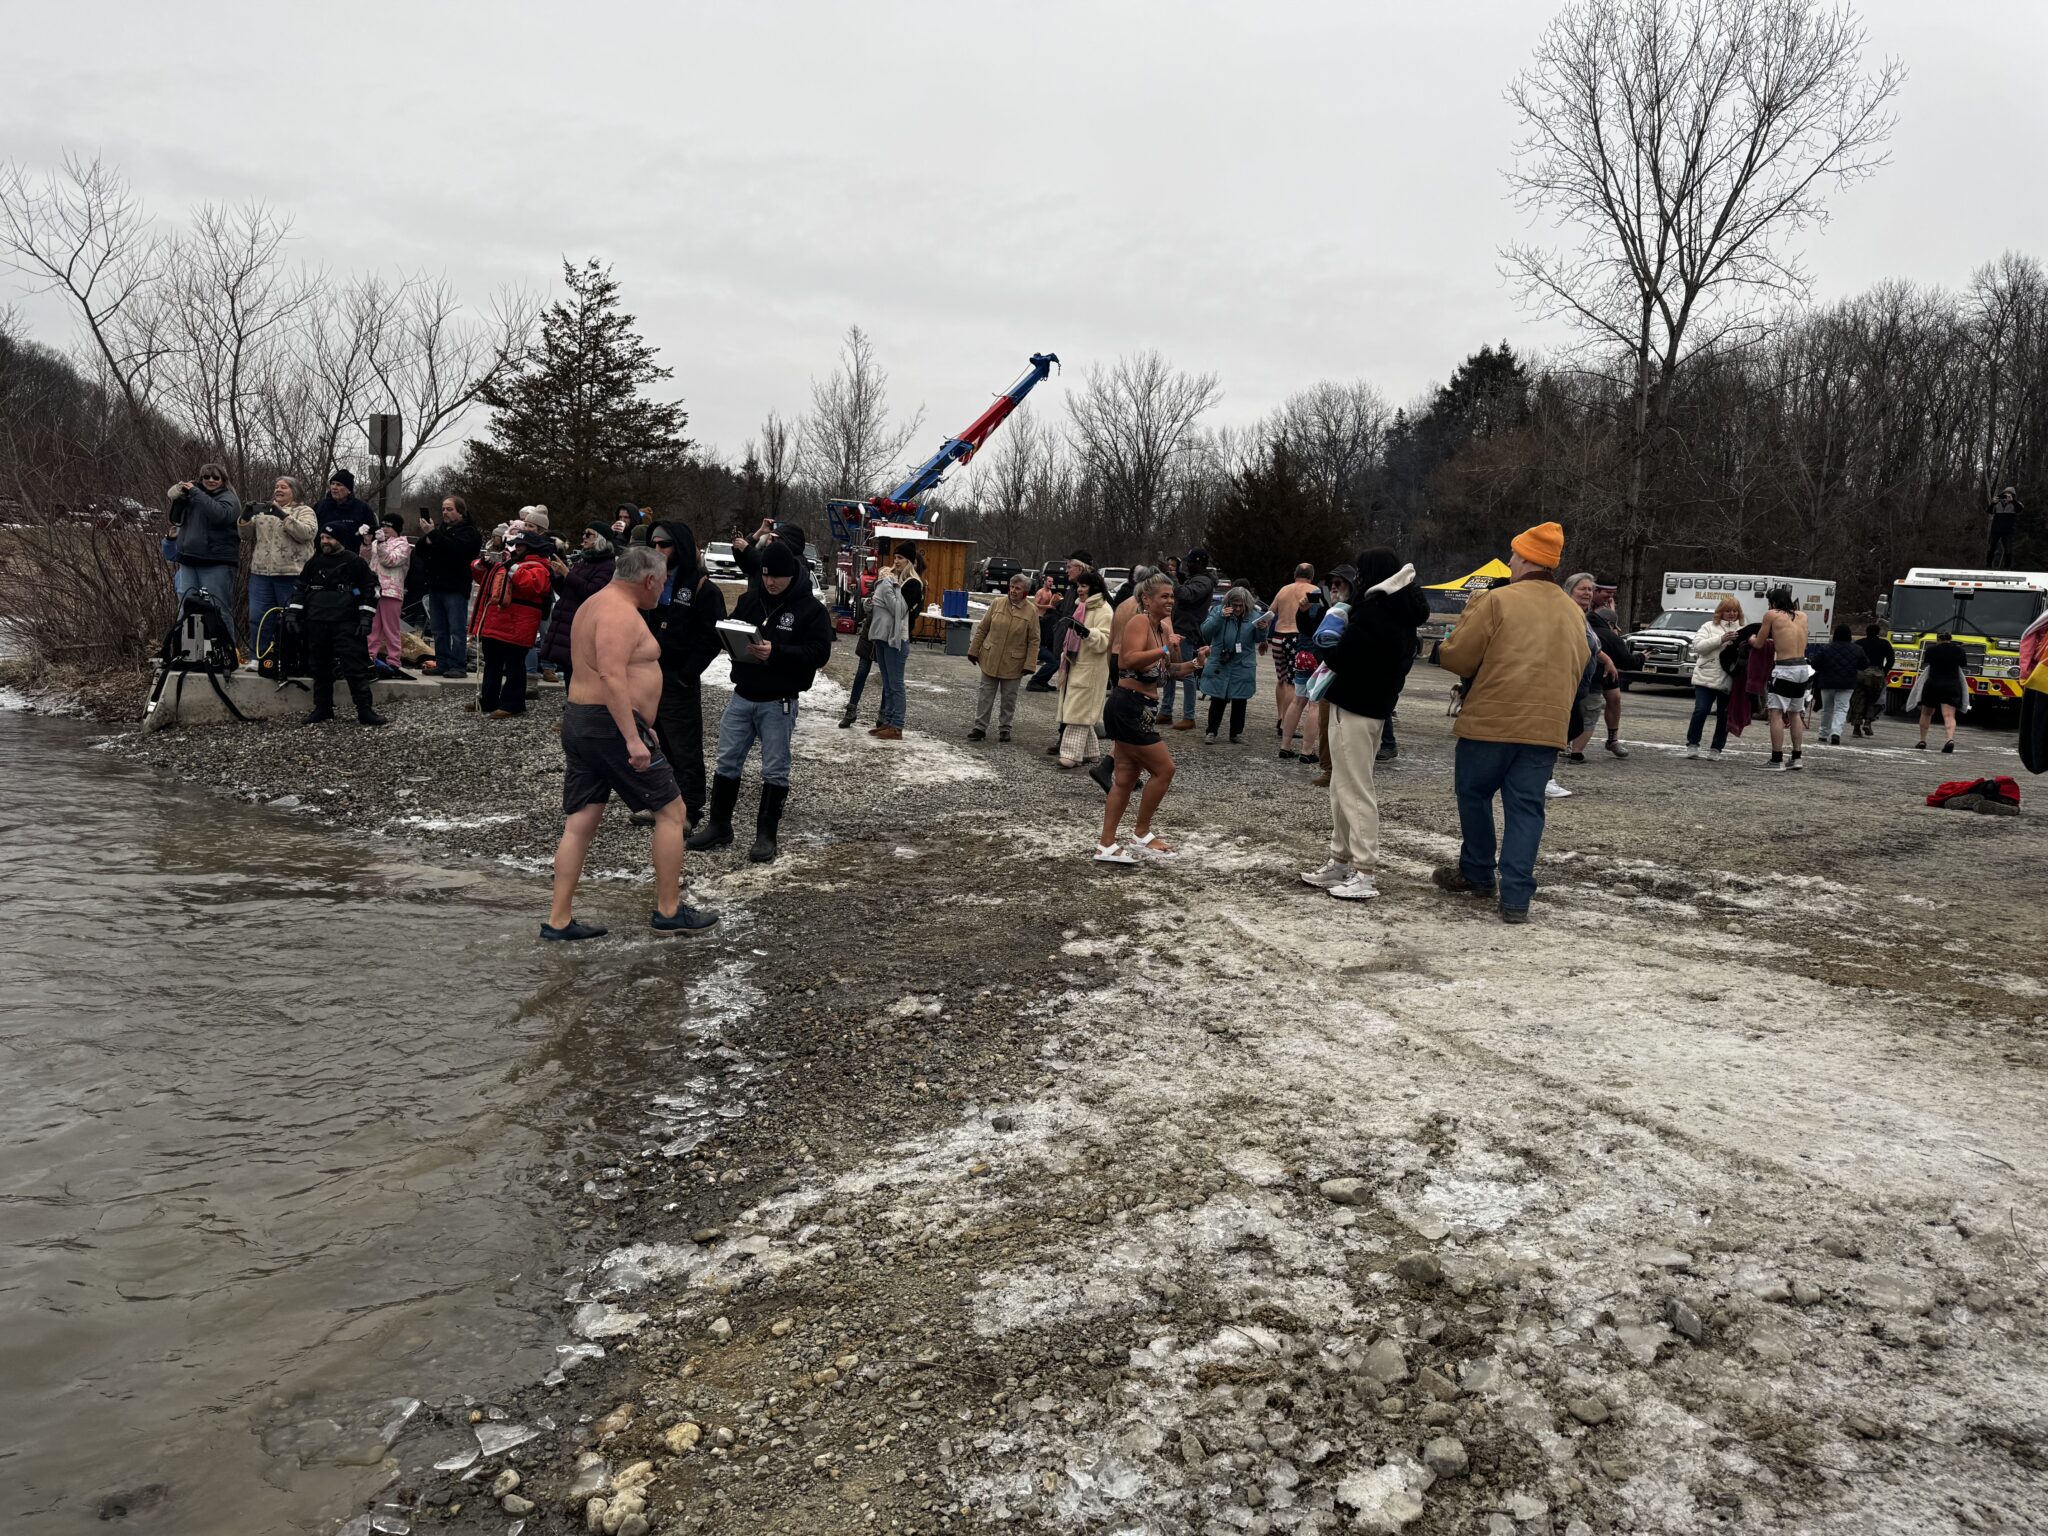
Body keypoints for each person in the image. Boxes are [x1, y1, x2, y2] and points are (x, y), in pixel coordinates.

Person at [543, 544, 716, 941]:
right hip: (608, 726)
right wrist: (631, 737)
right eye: (663, 582)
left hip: (585, 720)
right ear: (650, 579)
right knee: (673, 812)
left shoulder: (592, 604)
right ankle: (670, 910)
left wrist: (639, 723)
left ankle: (558, 919)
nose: (663, 591)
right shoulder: (619, 612)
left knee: (582, 819)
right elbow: (611, 676)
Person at [1432, 522, 1585, 923]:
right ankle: (1516, 898)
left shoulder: (1497, 600)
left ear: (1527, 558)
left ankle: (1478, 872)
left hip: (1491, 722)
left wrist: (1452, 638)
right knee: (1527, 810)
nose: (1511, 561)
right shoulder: (1573, 611)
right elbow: (1583, 667)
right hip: (1546, 727)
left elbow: (1459, 658)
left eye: (1514, 555)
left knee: (1475, 795)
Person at [689, 539, 833, 863]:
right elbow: (732, 624)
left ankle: (766, 836)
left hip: (778, 701)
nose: (770, 582)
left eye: (776, 577)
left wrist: (776, 652)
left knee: (775, 769)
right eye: (766, 575)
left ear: (791, 575)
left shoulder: (811, 610)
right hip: (742, 695)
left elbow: (819, 653)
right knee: (727, 761)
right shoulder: (751, 600)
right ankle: (719, 825)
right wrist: (730, 637)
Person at [1301, 550, 1430, 900]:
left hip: (1356, 703)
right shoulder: (1402, 611)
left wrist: (1329, 637)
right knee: (1343, 786)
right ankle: (1340, 860)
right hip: (1375, 705)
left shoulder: (1375, 611)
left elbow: (1342, 656)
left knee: (1355, 789)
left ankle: (1364, 871)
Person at [1095, 574, 1208, 863]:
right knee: (1164, 769)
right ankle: (1141, 833)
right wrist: (1167, 648)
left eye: (1172, 596)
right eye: (1165, 596)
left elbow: (1167, 671)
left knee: (1124, 778)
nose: (1171, 601)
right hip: (1128, 707)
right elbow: (1128, 660)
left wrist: (1195, 663)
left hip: (1141, 707)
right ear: (1147, 599)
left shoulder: (1159, 629)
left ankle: (1107, 844)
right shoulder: (1140, 622)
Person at [646, 521, 726, 830]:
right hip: (649, 675)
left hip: (678, 677)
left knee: (684, 746)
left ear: (679, 546)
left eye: (663, 544)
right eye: (653, 544)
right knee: (654, 742)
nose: (657, 550)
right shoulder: (650, 581)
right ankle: (661, 803)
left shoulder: (702, 587)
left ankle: (689, 809)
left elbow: (713, 636)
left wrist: (687, 673)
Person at [291, 518, 387, 727]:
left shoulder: (355, 562)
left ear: (340, 539)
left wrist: (365, 618)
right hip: (317, 621)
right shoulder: (314, 562)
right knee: (319, 667)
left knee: (355, 667)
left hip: (346, 622)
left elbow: (370, 591)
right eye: (323, 537)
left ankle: (364, 710)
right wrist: (293, 615)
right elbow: (299, 588)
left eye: (329, 538)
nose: (325, 541)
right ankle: (323, 708)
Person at [468, 528, 554, 718]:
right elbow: (481, 577)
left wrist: (511, 568)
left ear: (530, 547)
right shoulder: (508, 563)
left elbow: (534, 585)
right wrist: (483, 564)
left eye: (520, 544)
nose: (516, 547)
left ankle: (513, 703)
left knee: (514, 665)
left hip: (517, 623)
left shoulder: (540, 567)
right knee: (493, 662)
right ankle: (488, 700)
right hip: (499, 622)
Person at [240, 475, 316, 674]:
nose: (278, 489)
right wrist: (245, 516)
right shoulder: (264, 512)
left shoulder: (304, 511)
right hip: (261, 573)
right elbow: (244, 536)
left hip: (291, 573)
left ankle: (294, 657)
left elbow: (306, 534)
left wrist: (283, 515)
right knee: (257, 617)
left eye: (284, 487)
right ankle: (258, 657)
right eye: (276, 486)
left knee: (292, 618)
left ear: (295, 491)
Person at [165, 465, 243, 645]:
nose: (211, 480)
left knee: (219, 609)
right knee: (186, 608)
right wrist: (180, 494)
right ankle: (187, 651)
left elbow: (220, 515)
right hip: (189, 561)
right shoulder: (192, 496)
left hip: (216, 563)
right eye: (206, 477)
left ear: (223, 480)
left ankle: (227, 652)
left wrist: (196, 493)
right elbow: (175, 518)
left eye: (216, 477)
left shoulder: (229, 499)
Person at [1563, 574, 1631, 758]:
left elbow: (1594, 644)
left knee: (1611, 700)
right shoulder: (1566, 612)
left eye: (1589, 590)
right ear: (1569, 591)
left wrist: (1607, 660)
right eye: (1582, 589)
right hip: (1569, 677)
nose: (1587, 593)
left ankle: (1612, 739)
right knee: (1576, 718)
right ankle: (1565, 755)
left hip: (1588, 677)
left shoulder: (1588, 614)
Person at [541, 528, 618, 687]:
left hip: (583, 622)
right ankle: (572, 703)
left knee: (579, 669)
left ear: (600, 539)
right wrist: (557, 575)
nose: (583, 537)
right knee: (569, 666)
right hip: (569, 620)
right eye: (583, 534)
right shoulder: (583, 561)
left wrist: (567, 574)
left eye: (588, 534)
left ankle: (578, 704)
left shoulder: (608, 565)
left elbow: (593, 592)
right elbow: (565, 591)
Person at [416, 495, 482, 677]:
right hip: (436, 586)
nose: (445, 512)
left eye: (449, 509)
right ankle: (443, 662)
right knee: (438, 629)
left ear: (460, 511)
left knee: (457, 630)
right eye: (443, 509)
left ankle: (459, 665)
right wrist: (429, 536)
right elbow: (420, 551)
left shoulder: (470, 532)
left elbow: (456, 550)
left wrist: (433, 536)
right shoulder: (440, 529)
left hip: (455, 587)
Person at [967, 570, 1037, 741]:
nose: (1013, 591)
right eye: (1012, 587)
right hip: (990, 658)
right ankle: (979, 728)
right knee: (985, 696)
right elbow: (983, 628)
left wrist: (1030, 664)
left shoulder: (1031, 611)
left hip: (1014, 663)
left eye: (1018, 588)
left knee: (1009, 699)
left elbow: (1034, 640)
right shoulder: (997, 603)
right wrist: (973, 650)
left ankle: (1005, 729)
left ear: (1025, 592)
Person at [1056, 568, 1114, 768]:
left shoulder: (1104, 610)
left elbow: (1106, 641)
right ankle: (1091, 752)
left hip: (1092, 670)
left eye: (1083, 586)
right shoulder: (1082, 607)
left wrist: (1087, 633)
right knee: (1080, 709)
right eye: (1078, 586)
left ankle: (1070, 754)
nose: (1079, 589)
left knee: (1078, 712)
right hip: (1077, 665)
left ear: (1094, 587)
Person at [1755, 585, 1812, 771]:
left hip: (1785, 668)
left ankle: (1776, 759)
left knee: (1775, 713)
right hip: (1803, 667)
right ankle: (1797, 757)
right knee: (1796, 713)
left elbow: (1759, 643)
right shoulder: (1802, 616)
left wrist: (1748, 639)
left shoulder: (1771, 614)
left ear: (1772, 602)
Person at [1197, 585, 1263, 743]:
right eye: (1235, 605)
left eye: (1241, 605)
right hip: (1221, 661)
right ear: (1228, 603)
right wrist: (1220, 617)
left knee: (1241, 699)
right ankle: (1211, 732)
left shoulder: (1254, 615)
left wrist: (1263, 629)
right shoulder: (1218, 611)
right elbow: (1205, 632)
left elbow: (1258, 639)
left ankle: (1236, 734)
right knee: (1218, 698)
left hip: (1243, 662)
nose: (1238, 608)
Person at [1267, 562, 1321, 751]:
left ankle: (1280, 716)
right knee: (1292, 682)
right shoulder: (1313, 590)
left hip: (1278, 636)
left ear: (1295, 574)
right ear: (1312, 576)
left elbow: (1271, 611)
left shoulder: (1284, 589)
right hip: (1295, 637)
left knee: (1281, 679)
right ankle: (1285, 725)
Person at [1685, 597, 1744, 759]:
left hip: (1729, 679)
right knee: (1701, 710)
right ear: (1720, 612)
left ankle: (1716, 748)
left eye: (1735, 610)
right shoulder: (1708, 626)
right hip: (1706, 675)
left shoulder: (1744, 629)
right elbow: (1698, 647)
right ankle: (1692, 743)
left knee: (1724, 715)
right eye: (1728, 610)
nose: (1732, 614)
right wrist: (1721, 639)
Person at [866, 548, 914, 741]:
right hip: (884, 637)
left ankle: (897, 726)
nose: (896, 562)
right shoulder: (894, 583)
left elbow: (899, 610)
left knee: (896, 685)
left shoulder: (909, 583)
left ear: (909, 561)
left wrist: (887, 585)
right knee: (888, 684)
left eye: (900, 558)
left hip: (897, 639)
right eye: (894, 558)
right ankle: (888, 721)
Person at [1167, 549, 1216, 729]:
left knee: (1186, 671)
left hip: (1188, 631)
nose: (1187, 565)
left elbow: (1186, 595)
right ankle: (1166, 711)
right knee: (1169, 669)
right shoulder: (1196, 579)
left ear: (1199, 563)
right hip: (1179, 628)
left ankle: (1189, 716)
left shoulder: (1203, 581)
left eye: (1190, 562)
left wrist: (1172, 577)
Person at [367, 512, 412, 669]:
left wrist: (380, 543)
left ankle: (394, 660)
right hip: (374, 590)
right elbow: (365, 561)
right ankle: (369, 656)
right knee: (372, 626)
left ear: (396, 528)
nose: (384, 528)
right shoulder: (376, 542)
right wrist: (366, 542)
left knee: (391, 628)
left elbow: (389, 561)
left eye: (388, 526)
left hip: (391, 592)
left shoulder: (403, 545)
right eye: (383, 525)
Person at [1809, 622, 1865, 746]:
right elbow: (1864, 664)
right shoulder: (1857, 649)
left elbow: (1815, 664)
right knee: (1841, 708)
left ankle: (1823, 734)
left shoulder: (1826, 648)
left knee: (1827, 709)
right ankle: (1836, 733)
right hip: (1847, 683)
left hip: (1827, 682)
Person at [1913, 630, 1969, 752]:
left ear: (1937, 639)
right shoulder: (1959, 651)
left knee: (1926, 713)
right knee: (1949, 715)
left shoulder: (1931, 650)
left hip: (1933, 684)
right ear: (1950, 639)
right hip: (1951, 684)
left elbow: (1927, 663)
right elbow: (1963, 665)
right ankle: (1949, 739)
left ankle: (1922, 740)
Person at [1852, 622, 1895, 737]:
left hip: (1861, 673)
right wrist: (1884, 672)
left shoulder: (1859, 643)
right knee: (1875, 700)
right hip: (1877, 674)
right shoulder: (1884, 643)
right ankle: (1868, 721)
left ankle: (1856, 727)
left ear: (1866, 632)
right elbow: (1891, 659)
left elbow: (1853, 659)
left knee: (1858, 699)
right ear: (1878, 633)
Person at [1025, 573, 1063, 691]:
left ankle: (1043, 681)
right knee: (1054, 661)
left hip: (1046, 617)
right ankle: (1036, 681)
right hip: (1039, 618)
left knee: (1055, 660)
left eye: (1052, 581)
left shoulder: (1050, 593)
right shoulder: (1041, 592)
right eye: (1049, 581)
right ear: (1044, 581)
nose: (1050, 583)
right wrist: (1048, 606)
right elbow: (1035, 604)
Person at [1987, 486, 2023, 568]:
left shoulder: (2016, 504)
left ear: (2013, 495)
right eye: (2005, 494)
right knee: (1991, 548)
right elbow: (1989, 511)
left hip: (2008, 531)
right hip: (1996, 530)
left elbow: (2020, 509)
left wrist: (2013, 501)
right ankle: (1988, 565)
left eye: (2009, 494)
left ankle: (2007, 567)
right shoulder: (1997, 503)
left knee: (2008, 549)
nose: (2007, 496)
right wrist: (1993, 503)